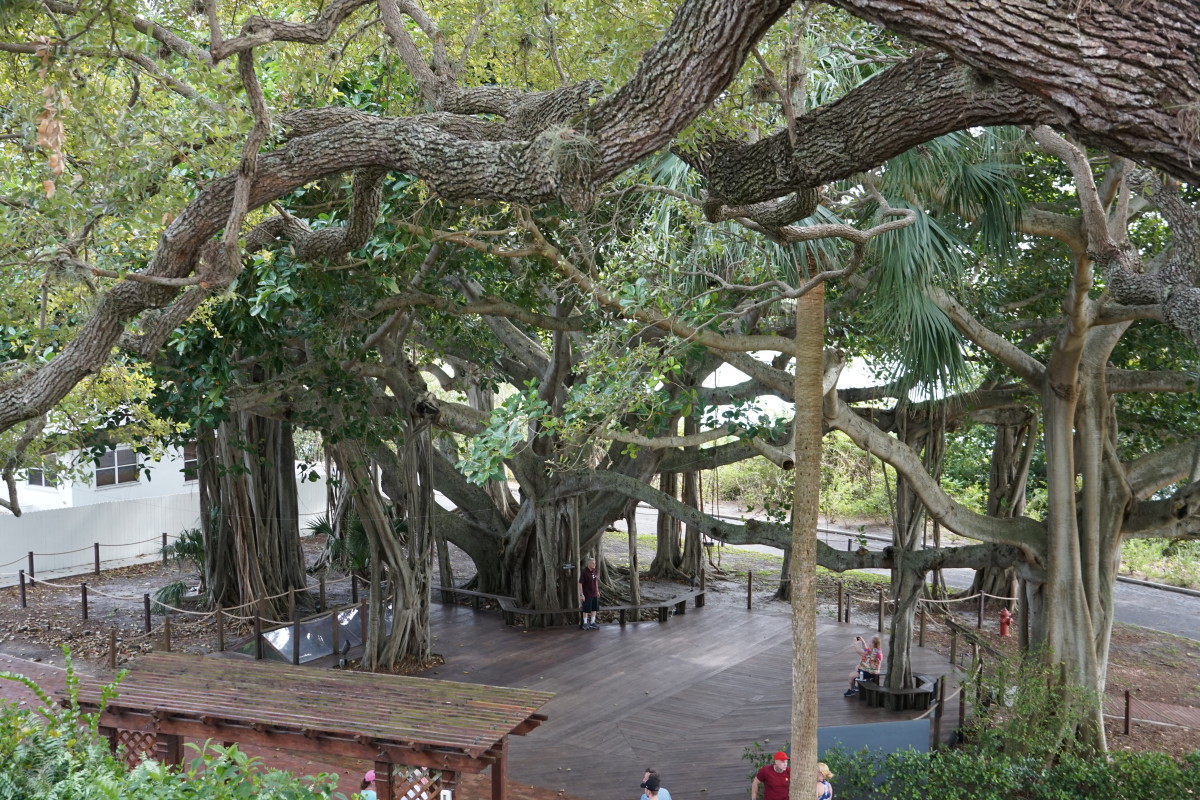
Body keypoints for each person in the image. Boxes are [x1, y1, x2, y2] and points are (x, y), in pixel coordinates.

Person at [579, 556, 600, 629]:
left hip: (594, 593)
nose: (594, 565)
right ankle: (585, 623)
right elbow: (580, 583)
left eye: (595, 563)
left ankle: (592, 622)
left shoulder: (594, 570)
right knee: (586, 609)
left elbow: (596, 581)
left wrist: (597, 591)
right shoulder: (584, 572)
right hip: (587, 594)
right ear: (589, 564)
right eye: (593, 563)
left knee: (594, 608)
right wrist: (582, 594)